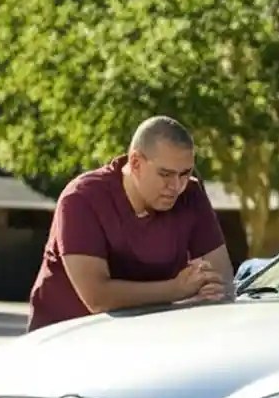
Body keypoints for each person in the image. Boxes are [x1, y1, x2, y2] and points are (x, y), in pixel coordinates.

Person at [25, 115, 234, 332]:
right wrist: (177, 290)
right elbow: (97, 298)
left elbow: (223, 281)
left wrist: (205, 292)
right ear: (135, 163)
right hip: (66, 339)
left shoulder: (190, 195)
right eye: (165, 174)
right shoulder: (81, 198)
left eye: (185, 173)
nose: (177, 186)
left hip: (147, 337)